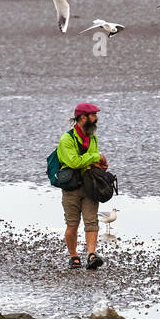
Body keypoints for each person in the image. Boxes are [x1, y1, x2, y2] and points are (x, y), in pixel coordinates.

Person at [56, 102, 108, 270]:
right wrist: (96, 157)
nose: (96, 118)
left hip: (89, 186)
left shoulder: (92, 137)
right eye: (94, 115)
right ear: (83, 117)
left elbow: (89, 160)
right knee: (72, 224)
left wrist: (99, 165)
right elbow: (74, 162)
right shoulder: (66, 139)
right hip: (71, 187)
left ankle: (91, 255)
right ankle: (73, 256)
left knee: (92, 222)